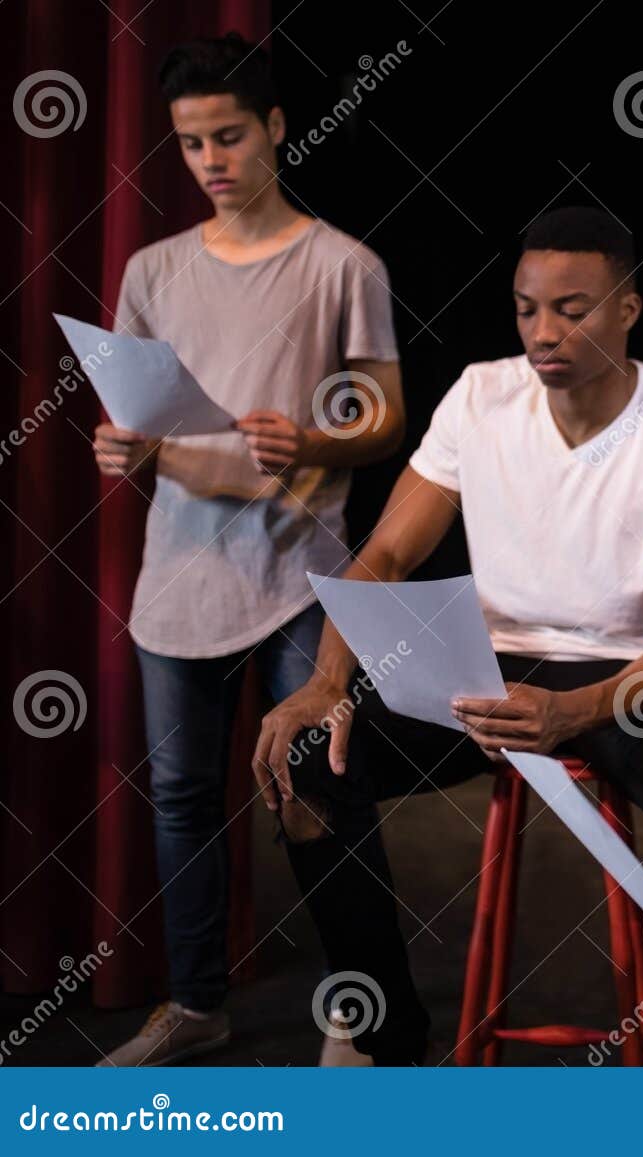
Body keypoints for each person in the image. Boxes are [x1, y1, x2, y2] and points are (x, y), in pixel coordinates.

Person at [253, 207, 643, 1066]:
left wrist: (572, 711)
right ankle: (383, 1038)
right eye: (526, 308)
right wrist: (326, 679)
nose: (542, 331)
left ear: (629, 309)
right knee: (311, 760)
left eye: (571, 307)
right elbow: (386, 552)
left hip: (624, 677)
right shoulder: (481, 395)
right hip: (488, 665)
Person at [94, 33, 404, 1067]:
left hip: (298, 572)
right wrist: (119, 447)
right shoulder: (152, 268)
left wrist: (319, 437)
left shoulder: (343, 262)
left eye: (228, 135)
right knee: (182, 798)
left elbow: (389, 418)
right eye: (190, 144)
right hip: (177, 573)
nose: (211, 160)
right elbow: (134, 421)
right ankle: (196, 1002)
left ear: (275, 129)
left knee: (317, 786)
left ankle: (362, 1012)